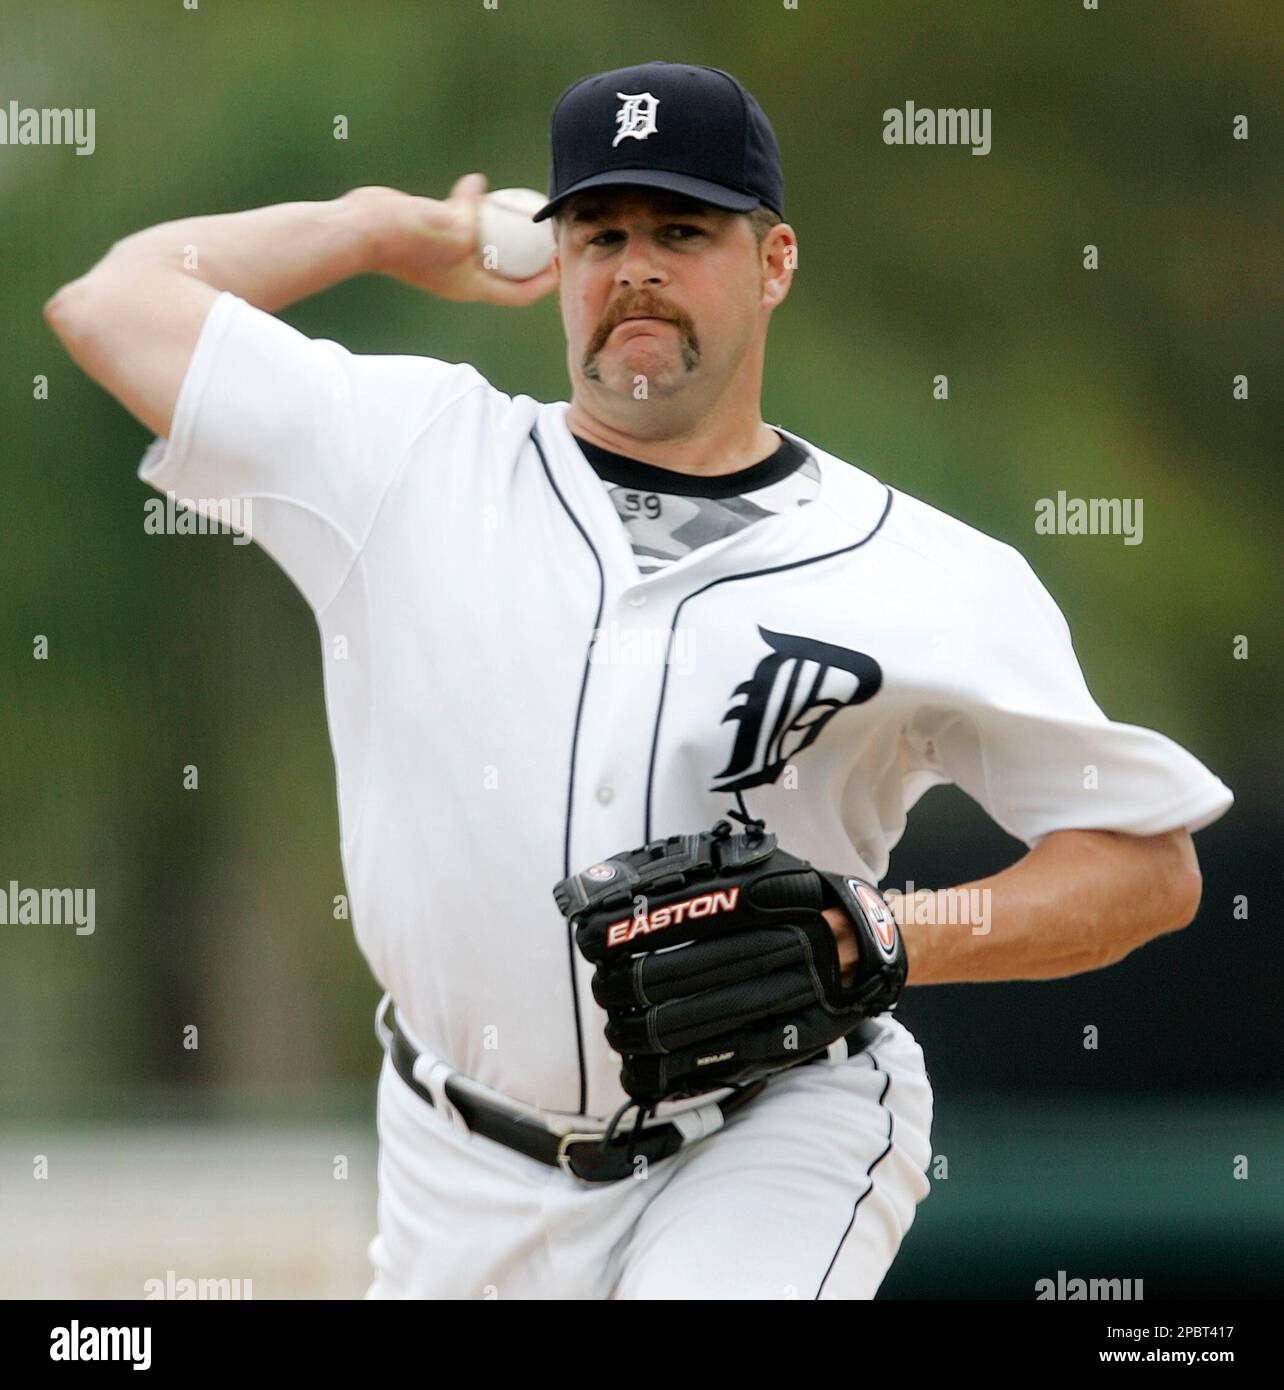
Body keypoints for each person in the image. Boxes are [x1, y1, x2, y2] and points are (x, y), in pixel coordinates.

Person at [43, 61, 1232, 1299]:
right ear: (553, 259)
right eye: (600, 232)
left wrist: (888, 933)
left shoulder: (926, 574)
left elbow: (1146, 866)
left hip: (771, 1133)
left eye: (683, 230)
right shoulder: (407, 458)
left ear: (773, 262)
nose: (637, 267)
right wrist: (396, 229)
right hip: (454, 1163)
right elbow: (109, 305)